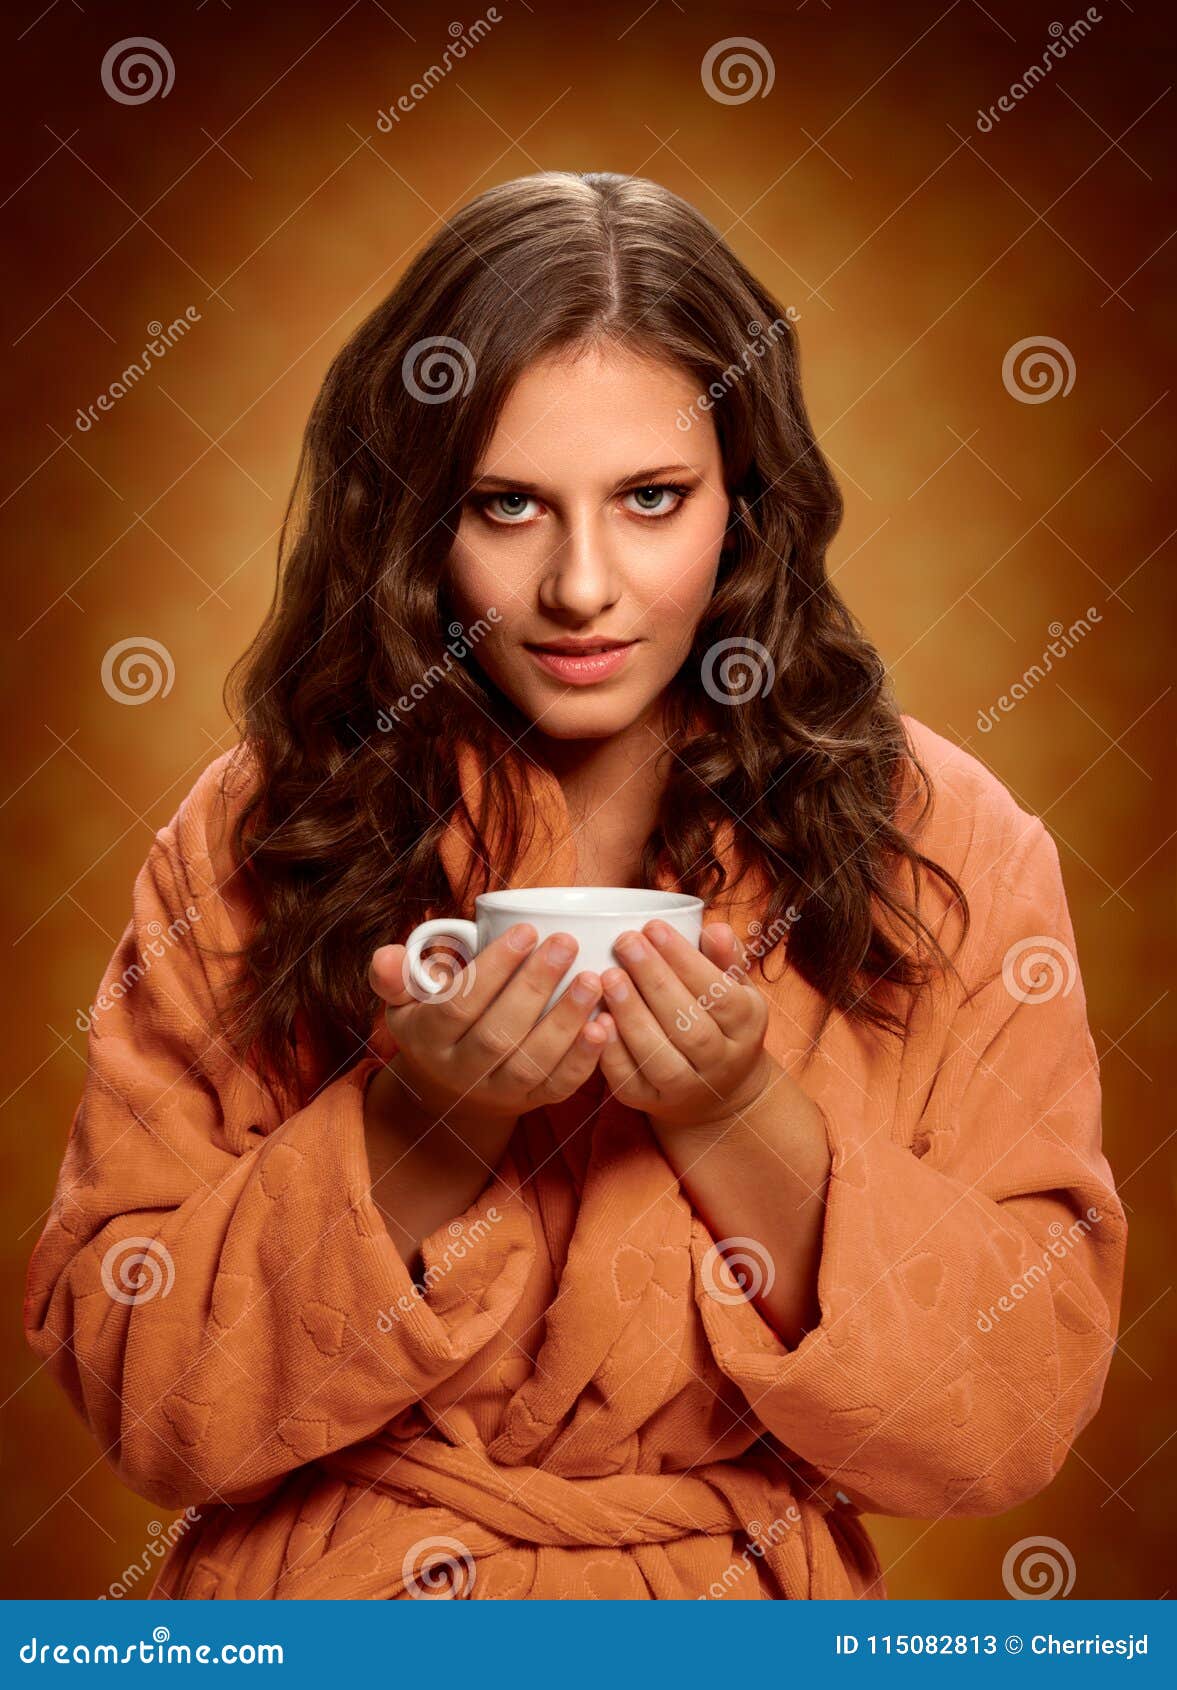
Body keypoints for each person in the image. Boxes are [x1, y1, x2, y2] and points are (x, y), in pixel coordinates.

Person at [24, 171, 1126, 1600]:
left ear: (746, 505)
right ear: (414, 521)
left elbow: (1011, 1411)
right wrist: (423, 1124)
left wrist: (736, 1114)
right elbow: (143, 1394)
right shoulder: (264, 824)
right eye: (507, 506)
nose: (582, 586)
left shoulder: (944, 841)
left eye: (651, 499)